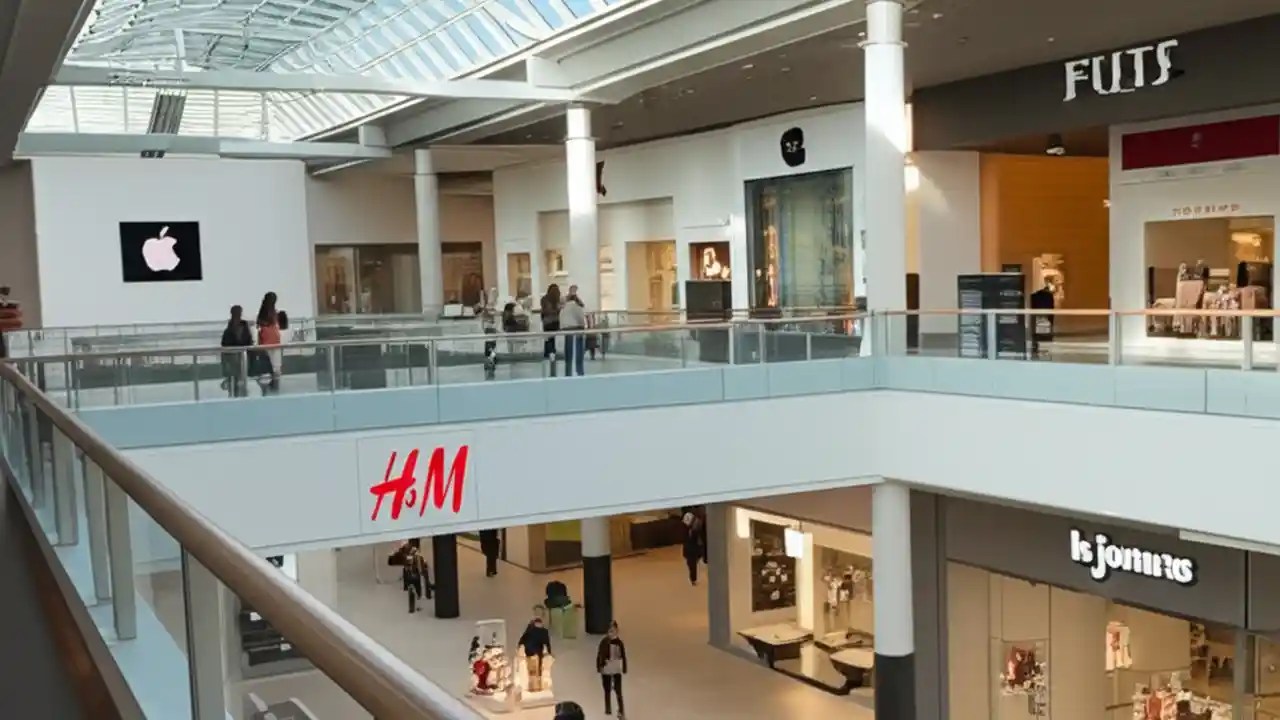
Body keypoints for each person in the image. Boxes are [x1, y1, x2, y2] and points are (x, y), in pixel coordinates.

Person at [219, 305, 253, 397]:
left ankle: (239, 394)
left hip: (241, 357)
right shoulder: (230, 329)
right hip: (235, 357)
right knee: (237, 378)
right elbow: (225, 346)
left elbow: (249, 341)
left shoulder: (241, 327)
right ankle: (237, 395)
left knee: (239, 378)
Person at [596, 621, 628, 718]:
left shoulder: (619, 643)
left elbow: (623, 656)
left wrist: (624, 667)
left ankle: (621, 710)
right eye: (610, 631)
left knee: (618, 691)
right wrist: (599, 666)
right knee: (607, 689)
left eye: (614, 631)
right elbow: (599, 655)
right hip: (606, 668)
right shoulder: (604, 642)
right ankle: (608, 708)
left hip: (616, 668)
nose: (612, 633)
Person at [255, 291, 281, 394]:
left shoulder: (267, 313)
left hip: (271, 342)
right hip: (269, 342)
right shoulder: (268, 314)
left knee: (274, 366)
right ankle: (271, 386)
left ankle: (271, 386)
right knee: (273, 366)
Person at [518, 615, 553, 692]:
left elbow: (523, 638)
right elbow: (547, 643)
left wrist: (519, 645)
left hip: (529, 650)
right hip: (537, 651)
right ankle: (538, 678)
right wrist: (549, 652)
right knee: (538, 666)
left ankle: (531, 679)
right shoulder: (544, 631)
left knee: (530, 666)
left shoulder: (530, 628)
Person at [560, 284, 587, 377]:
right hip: (577, 329)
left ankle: (568, 372)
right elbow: (581, 318)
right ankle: (579, 371)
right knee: (578, 352)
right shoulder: (576, 306)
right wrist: (583, 326)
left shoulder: (564, 307)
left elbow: (561, 318)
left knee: (568, 352)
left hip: (567, 330)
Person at [540, 284, 562, 374]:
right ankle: (552, 352)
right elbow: (558, 310)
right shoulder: (556, 299)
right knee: (552, 338)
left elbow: (544, 310)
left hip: (547, 321)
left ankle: (548, 353)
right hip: (555, 321)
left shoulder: (544, 299)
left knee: (547, 338)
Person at [682, 511, 704, 586]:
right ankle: (693, 579)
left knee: (691, 564)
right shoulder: (690, 528)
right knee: (691, 564)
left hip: (694, 549)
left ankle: (693, 579)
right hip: (693, 549)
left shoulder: (696, 527)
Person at [402, 545, 425, 614]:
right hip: (416, 576)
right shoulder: (418, 557)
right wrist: (421, 573)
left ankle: (411, 608)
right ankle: (418, 607)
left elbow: (405, 568)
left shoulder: (407, 558)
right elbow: (420, 567)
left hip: (409, 577)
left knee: (411, 592)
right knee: (418, 592)